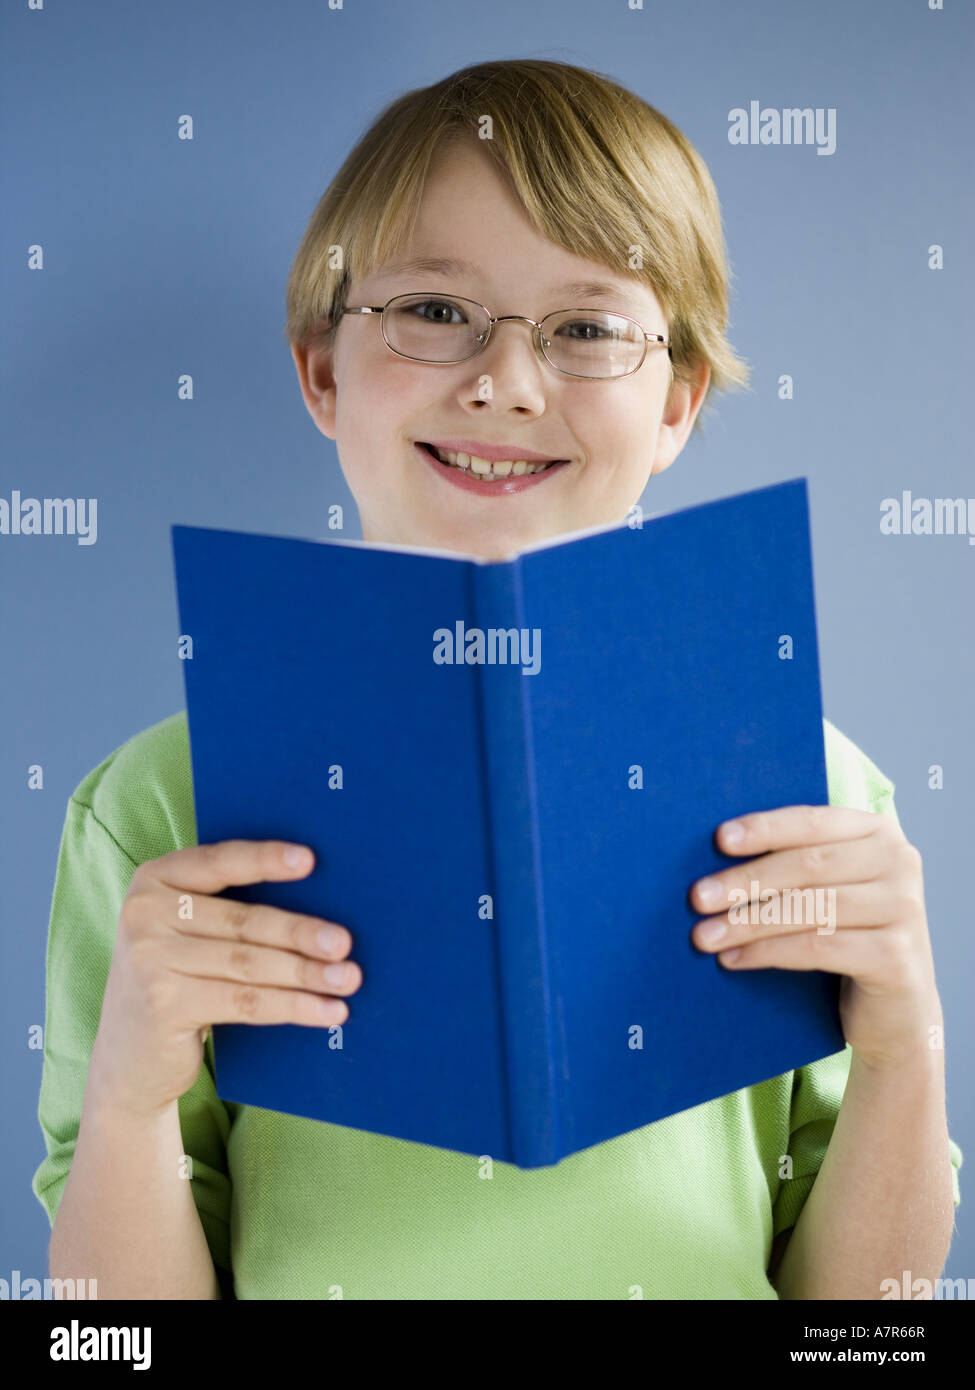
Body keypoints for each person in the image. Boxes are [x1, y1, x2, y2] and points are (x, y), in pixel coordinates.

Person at [32, 58, 962, 1300]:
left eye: (586, 329)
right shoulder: (153, 809)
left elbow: (862, 1326)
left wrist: (907, 1049)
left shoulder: (815, 795)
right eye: (431, 310)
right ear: (321, 368)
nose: (506, 381)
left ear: (678, 400)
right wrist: (129, 1092)